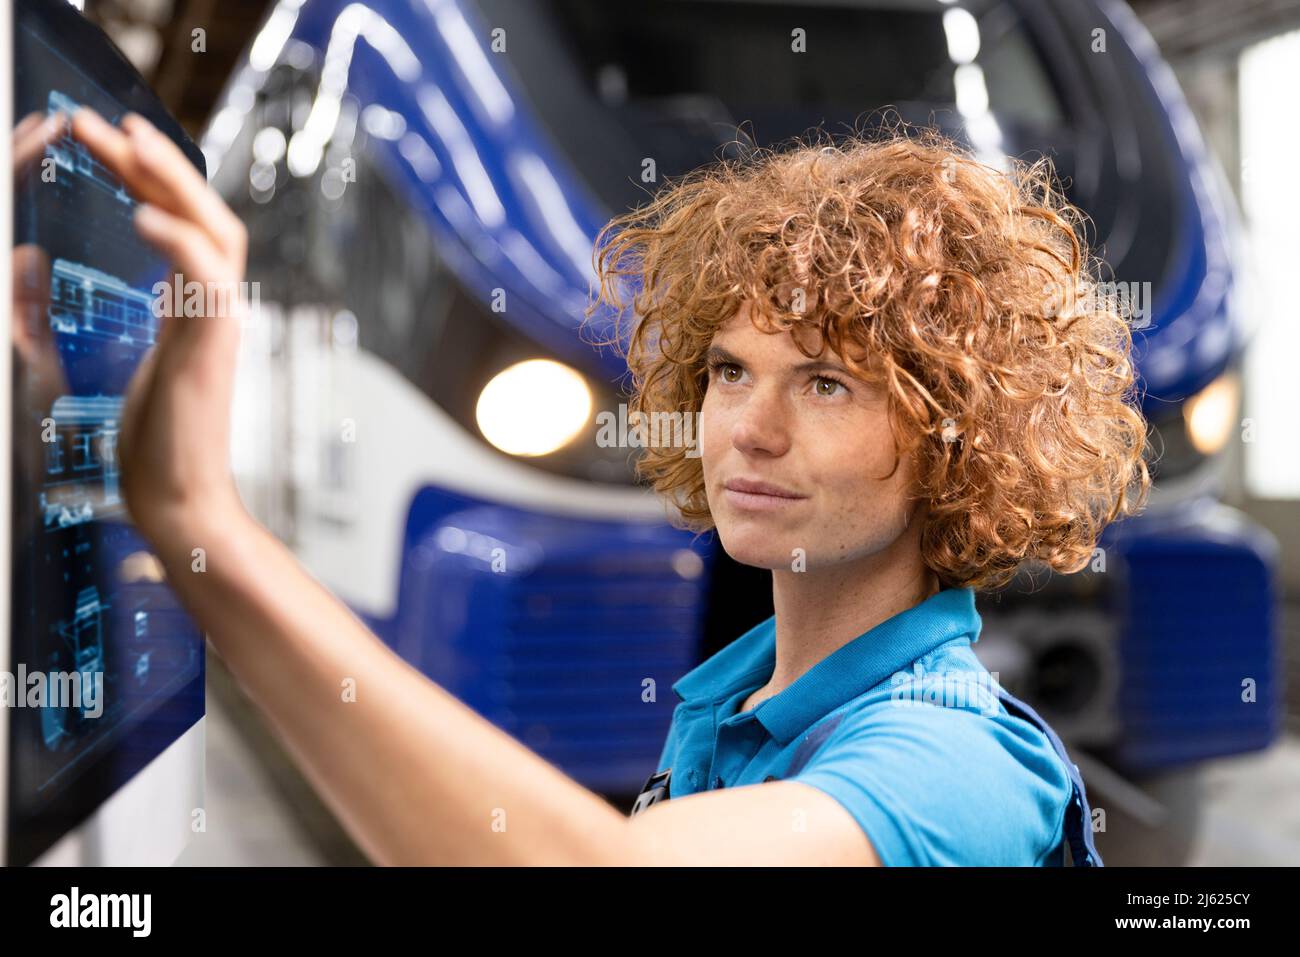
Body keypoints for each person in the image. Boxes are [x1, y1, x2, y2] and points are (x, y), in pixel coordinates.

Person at [63, 107, 1149, 866]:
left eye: (826, 384)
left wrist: (201, 520)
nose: (750, 432)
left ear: (957, 436)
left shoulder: (956, 763)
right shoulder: (736, 702)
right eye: (728, 371)